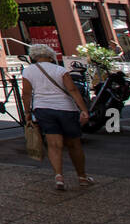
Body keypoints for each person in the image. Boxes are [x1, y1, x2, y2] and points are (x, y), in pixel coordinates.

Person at [22, 43, 93, 191]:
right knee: (74, 144)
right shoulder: (59, 70)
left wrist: (27, 111)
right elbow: (72, 90)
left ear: (34, 56)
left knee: (53, 144)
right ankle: (82, 176)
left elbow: (26, 94)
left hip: (43, 109)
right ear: (50, 56)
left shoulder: (28, 72)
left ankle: (59, 177)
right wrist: (84, 109)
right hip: (65, 108)